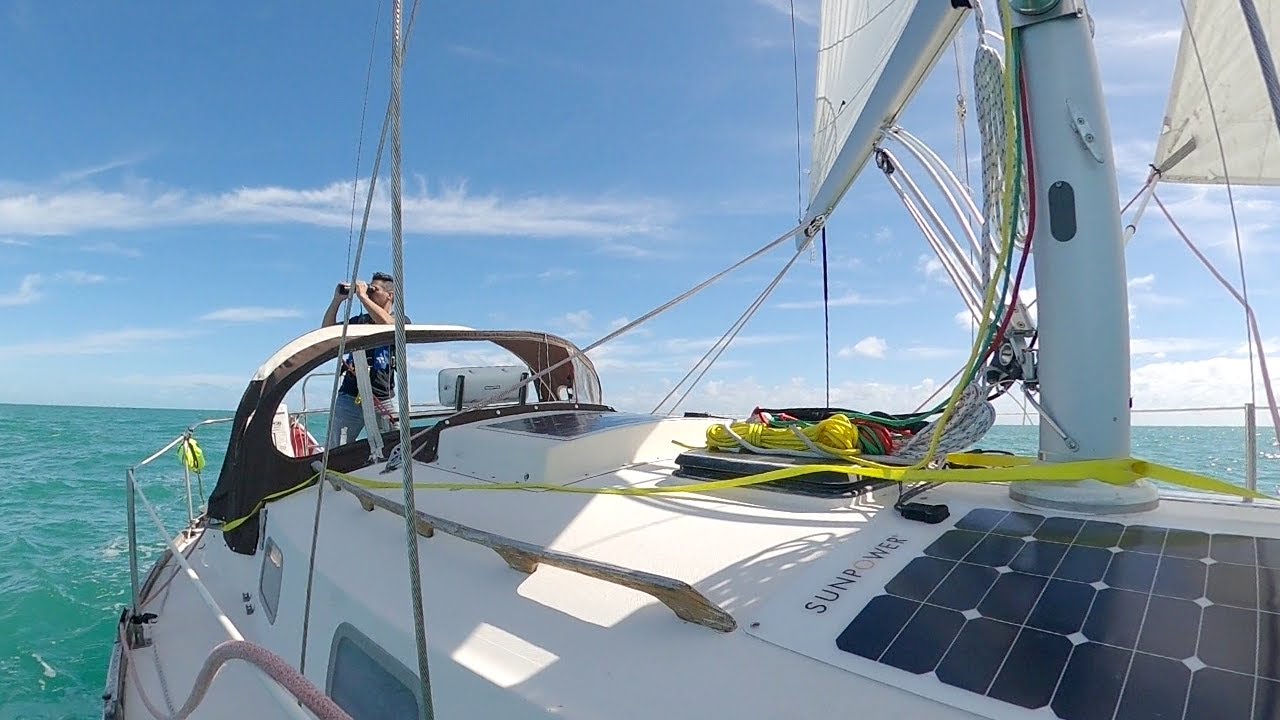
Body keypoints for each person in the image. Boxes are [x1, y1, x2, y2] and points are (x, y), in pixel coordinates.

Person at [321, 271, 410, 446]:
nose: (368, 293)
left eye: (373, 290)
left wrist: (362, 297)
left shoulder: (401, 320)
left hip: (382, 397)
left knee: (398, 445)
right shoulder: (358, 321)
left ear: (390, 296)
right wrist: (337, 300)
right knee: (337, 448)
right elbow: (326, 331)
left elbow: (386, 325)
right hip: (350, 396)